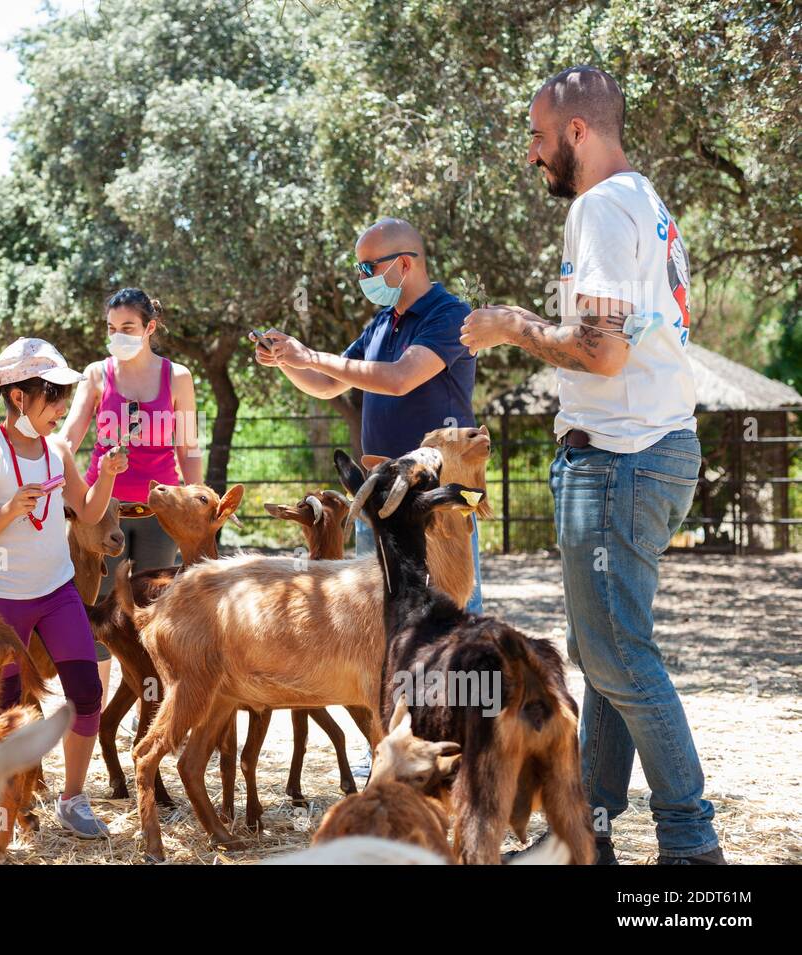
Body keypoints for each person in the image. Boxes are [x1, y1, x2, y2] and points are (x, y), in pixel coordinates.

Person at [459, 66, 722, 865]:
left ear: (577, 131)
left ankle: (691, 844)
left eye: (539, 138)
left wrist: (509, 324)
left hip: (619, 460)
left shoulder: (601, 207)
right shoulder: (646, 201)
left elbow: (601, 352)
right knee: (606, 655)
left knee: (618, 659)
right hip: (653, 450)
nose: (532, 156)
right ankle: (589, 831)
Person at [253, 218, 482, 613]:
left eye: (367, 268)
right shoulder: (380, 323)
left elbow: (399, 378)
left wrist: (309, 355)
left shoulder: (450, 315)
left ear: (405, 265)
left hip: (438, 492)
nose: (361, 277)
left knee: (451, 612)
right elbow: (326, 385)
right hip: (377, 489)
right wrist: (285, 360)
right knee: (381, 613)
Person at [0, 337, 129, 839]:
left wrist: (108, 475)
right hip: (5, 600)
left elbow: (91, 511)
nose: (61, 408)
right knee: (6, 709)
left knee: (86, 694)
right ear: (19, 397)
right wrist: (9, 511)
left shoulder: (58, 450)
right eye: (52, 396)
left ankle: (73, 798)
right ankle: (2, 806)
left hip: (58, 594)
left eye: (62, 396)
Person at [61, 287, 201, 702]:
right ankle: (91, 711)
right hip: (102, 516)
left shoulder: (178, 377)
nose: (117, 335)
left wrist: (193, 503)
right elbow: (69, 438)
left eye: (127, 328)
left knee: (149, 616)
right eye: (111, 328)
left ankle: (150, 718)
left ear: (149, 328)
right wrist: (64, 487)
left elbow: (189, 447)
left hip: (159, 517)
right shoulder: (95, 374)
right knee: (100, 617)